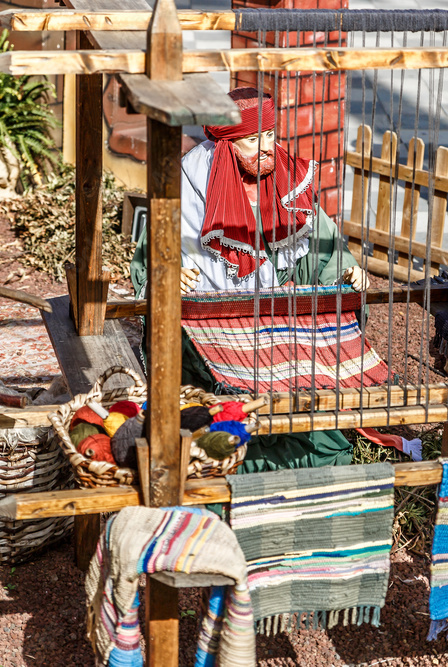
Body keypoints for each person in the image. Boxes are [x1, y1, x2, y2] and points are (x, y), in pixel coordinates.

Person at [130, 87, 369, 472]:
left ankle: (266, 476)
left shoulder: (290, 179)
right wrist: (166, 277)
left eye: (270, 135)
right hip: (210, 336)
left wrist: (345, 271)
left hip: (282, 325)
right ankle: (227, 469)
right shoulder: (185, 183)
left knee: (328, 442)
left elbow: (326, 245)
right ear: (225, 143)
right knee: (217, 427)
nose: (266, 147)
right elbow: (150, 258)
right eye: (252, 139)